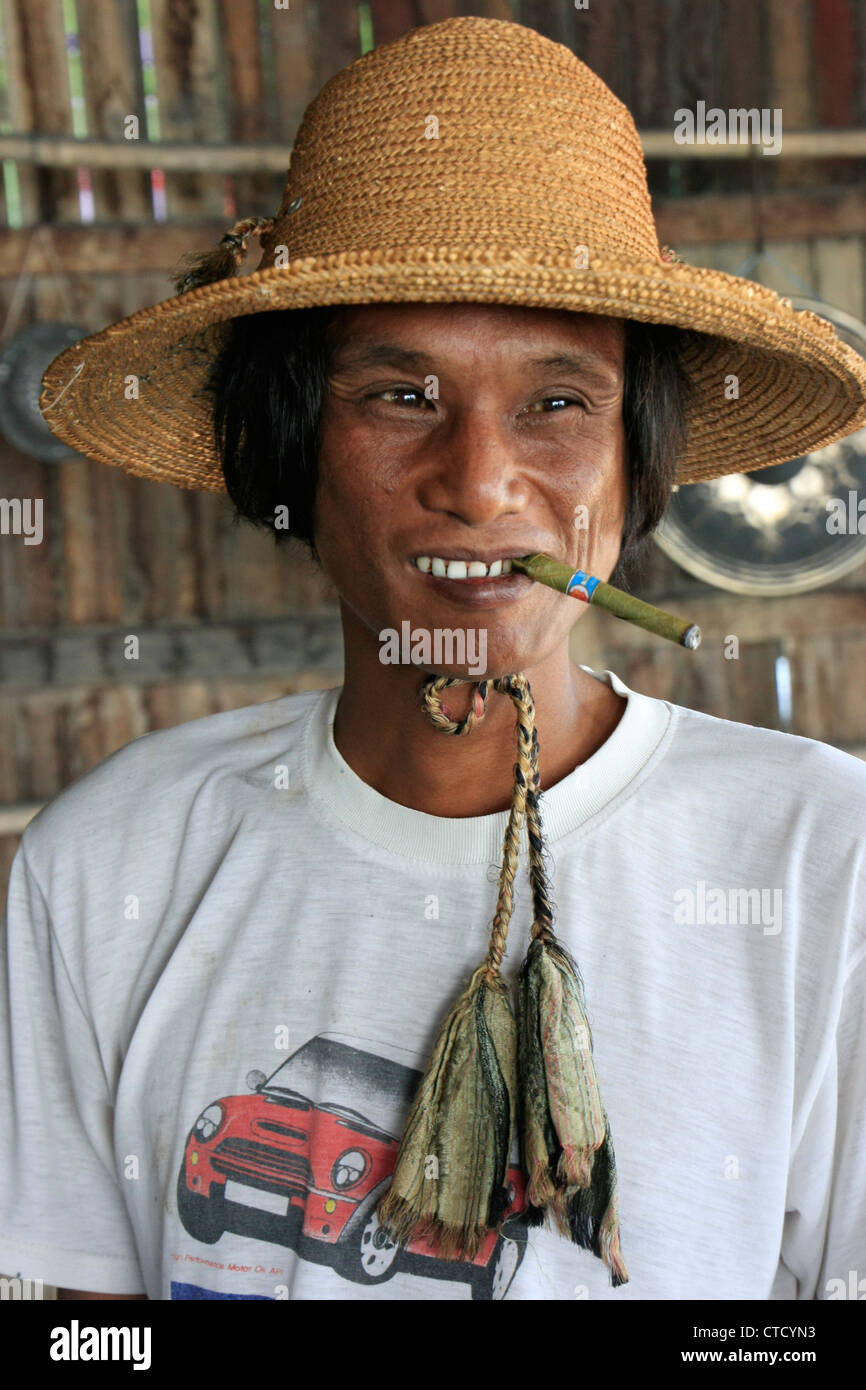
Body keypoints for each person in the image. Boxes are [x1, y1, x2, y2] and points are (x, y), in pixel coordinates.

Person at [2, 16, 865, 1302]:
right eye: (399, 394)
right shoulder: (111, 862)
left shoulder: (823, 861)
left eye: (558, 403)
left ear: (638, 466)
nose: (476, 483)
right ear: (292, 447)